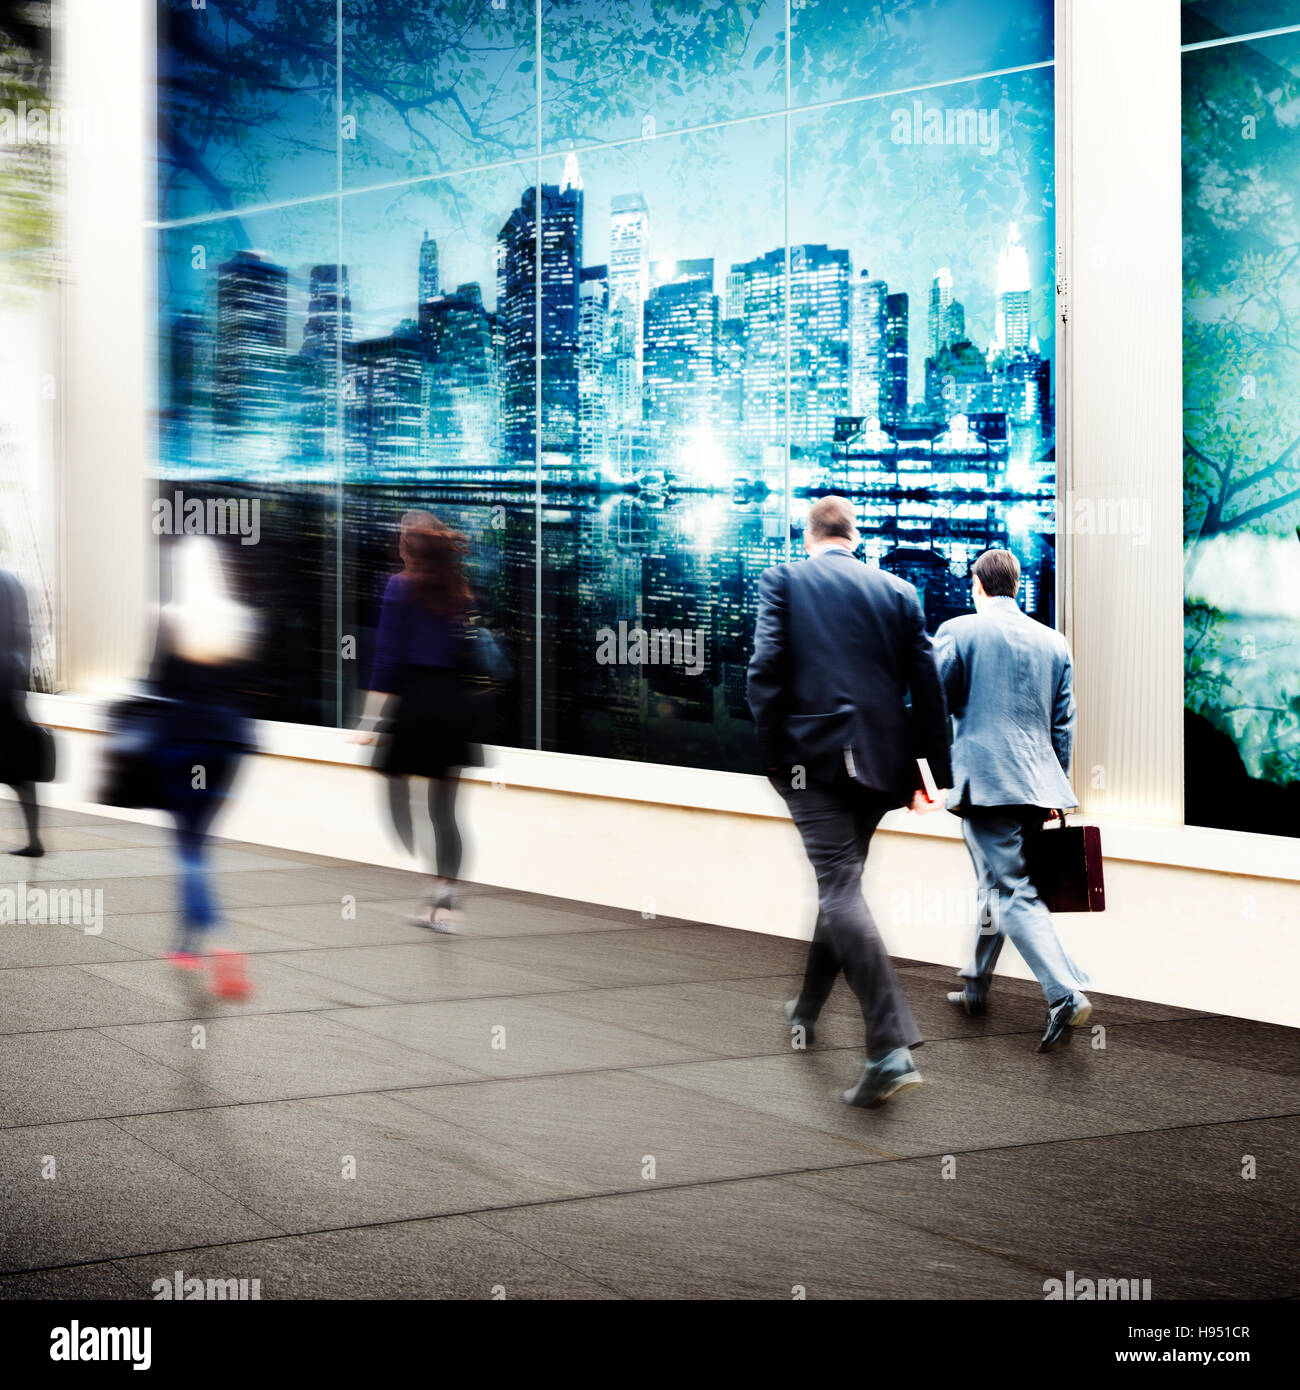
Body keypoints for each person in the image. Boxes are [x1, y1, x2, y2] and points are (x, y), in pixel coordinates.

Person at [747, 496, 952, 1108]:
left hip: (812, 762)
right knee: (843, 886)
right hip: (881, 770)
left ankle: (889, 1047)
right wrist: (929, 776)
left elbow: (765, 672)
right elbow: (927, 689)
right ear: (853, 537)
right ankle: (807, 1006)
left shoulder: (784, 579)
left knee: (839, 887)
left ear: (810, 535)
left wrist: (773, 755)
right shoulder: (898, 592)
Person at [933, 548, 1092, 1052]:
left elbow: (935, 701)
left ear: (977, 585)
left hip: (986, 783)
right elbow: (1061, 725)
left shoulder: (959, 631)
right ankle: (976, 985)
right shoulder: (1054, 642)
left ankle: (1064, 992)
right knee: (996, 885)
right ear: (1016, 586)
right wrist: (1054, 790)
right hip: (1036, 785)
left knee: (1011, 890)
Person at [353, 511, 483, 931]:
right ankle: (444, 903)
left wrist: (370, 722)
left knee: (394, 776)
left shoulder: (398, 587)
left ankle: (404, 831)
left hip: (414, 702)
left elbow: (386, 660)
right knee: (446, 811)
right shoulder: (460, 591)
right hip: (453, 708)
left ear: (408, 549)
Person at [150, 536, 257, 999]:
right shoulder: (240, 619)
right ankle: (185, 945)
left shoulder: (169, 619)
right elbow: (250, 688)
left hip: (182, 744)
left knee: (188, 850)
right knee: (199, 847)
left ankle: (217, 939)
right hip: (229, 744)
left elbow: (158, 683)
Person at [0, 565, 43, 857]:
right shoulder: (14, 581)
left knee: (17, 770)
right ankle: (34, 839)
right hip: (12, 687)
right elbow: (26, 636)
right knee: (21, 773)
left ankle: (34, 841)